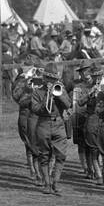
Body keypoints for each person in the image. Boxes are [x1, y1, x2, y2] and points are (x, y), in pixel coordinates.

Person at [32, 62, 72, 194]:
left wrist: (58, 95)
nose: (53, 82)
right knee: (44, 156)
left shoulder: (61, 89)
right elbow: (35, 109)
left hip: (59, 124)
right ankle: (47, 184)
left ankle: (55, 182)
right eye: (50, 79)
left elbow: (68, 104)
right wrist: (47, 98)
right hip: (43, 124)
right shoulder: (37, 92)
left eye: (55, 79)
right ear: (44, 79)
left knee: (61, 155)